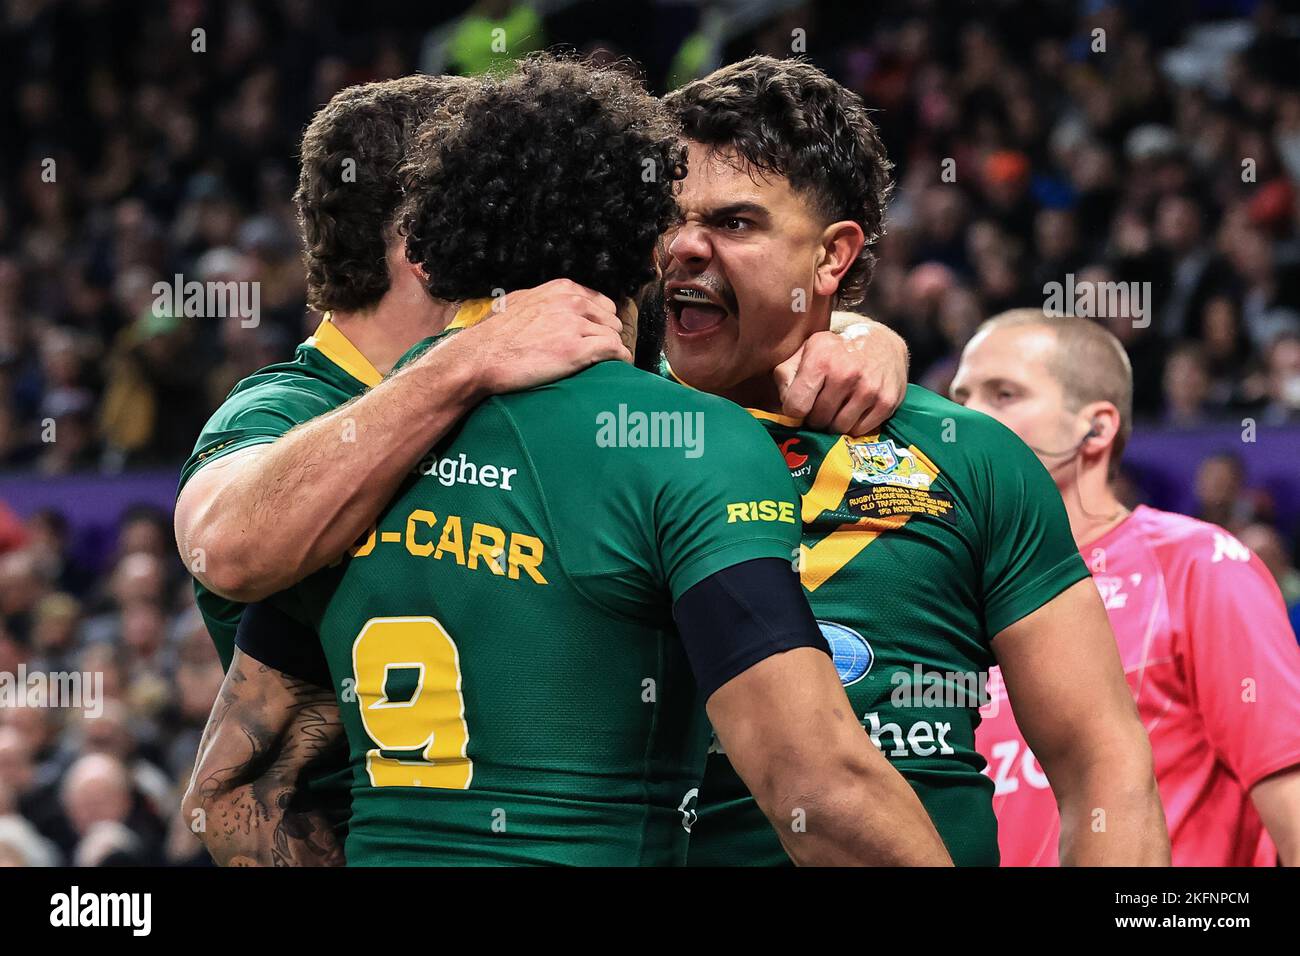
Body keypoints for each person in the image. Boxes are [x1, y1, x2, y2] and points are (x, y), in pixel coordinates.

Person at [183, 56, 950, 868]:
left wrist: (861, 334)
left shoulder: (369, 463)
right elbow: (818, 787)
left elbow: (229, 791)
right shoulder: (309, 419)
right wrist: (463, 363)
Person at [655, 56, 1166, 867]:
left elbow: (1103, 762)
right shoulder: (603, 441)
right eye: (668, 218)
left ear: (832, 258)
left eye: (736, 222)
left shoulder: (975, 458)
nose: (683, 247)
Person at [955, 309, 1300, 866]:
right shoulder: (950, 596)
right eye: (960, 396)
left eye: (1003, 395)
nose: (965, 420)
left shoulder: (1197, 565)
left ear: (1096, 427)